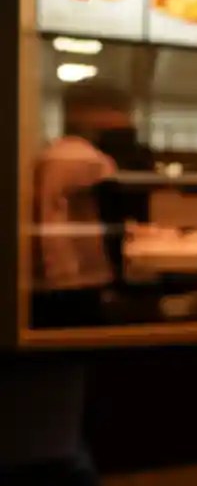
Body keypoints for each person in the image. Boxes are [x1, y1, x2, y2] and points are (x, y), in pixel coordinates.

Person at [31, 82, 132, 327]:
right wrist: (63, 277)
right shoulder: (81, 158)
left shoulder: (63, 155)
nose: (128, 121)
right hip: (76, 279)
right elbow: (53, 219)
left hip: (73, 276)